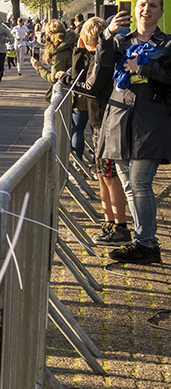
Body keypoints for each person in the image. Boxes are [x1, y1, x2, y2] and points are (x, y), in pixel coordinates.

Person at [96, 0, 170, 265]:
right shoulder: (119, 40)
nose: (145, 10)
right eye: (141, 5)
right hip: (119, 117)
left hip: (151, 120)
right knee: (128, 183)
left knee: (140, 182)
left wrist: (146, 66)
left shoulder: (168, 44)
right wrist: (106, 35)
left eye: (152, 6)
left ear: (161, 12)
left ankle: (147, 243)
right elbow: (100, 73)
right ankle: (142, 241)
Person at [73, 17, 127, 243]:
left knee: (110, 176)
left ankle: (120, 225)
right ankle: (110, 222)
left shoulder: (104, 58)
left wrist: (70, 79)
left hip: (107, 124)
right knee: (103, 175)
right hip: (100, 124)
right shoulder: (98, 56)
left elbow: (90, 86)